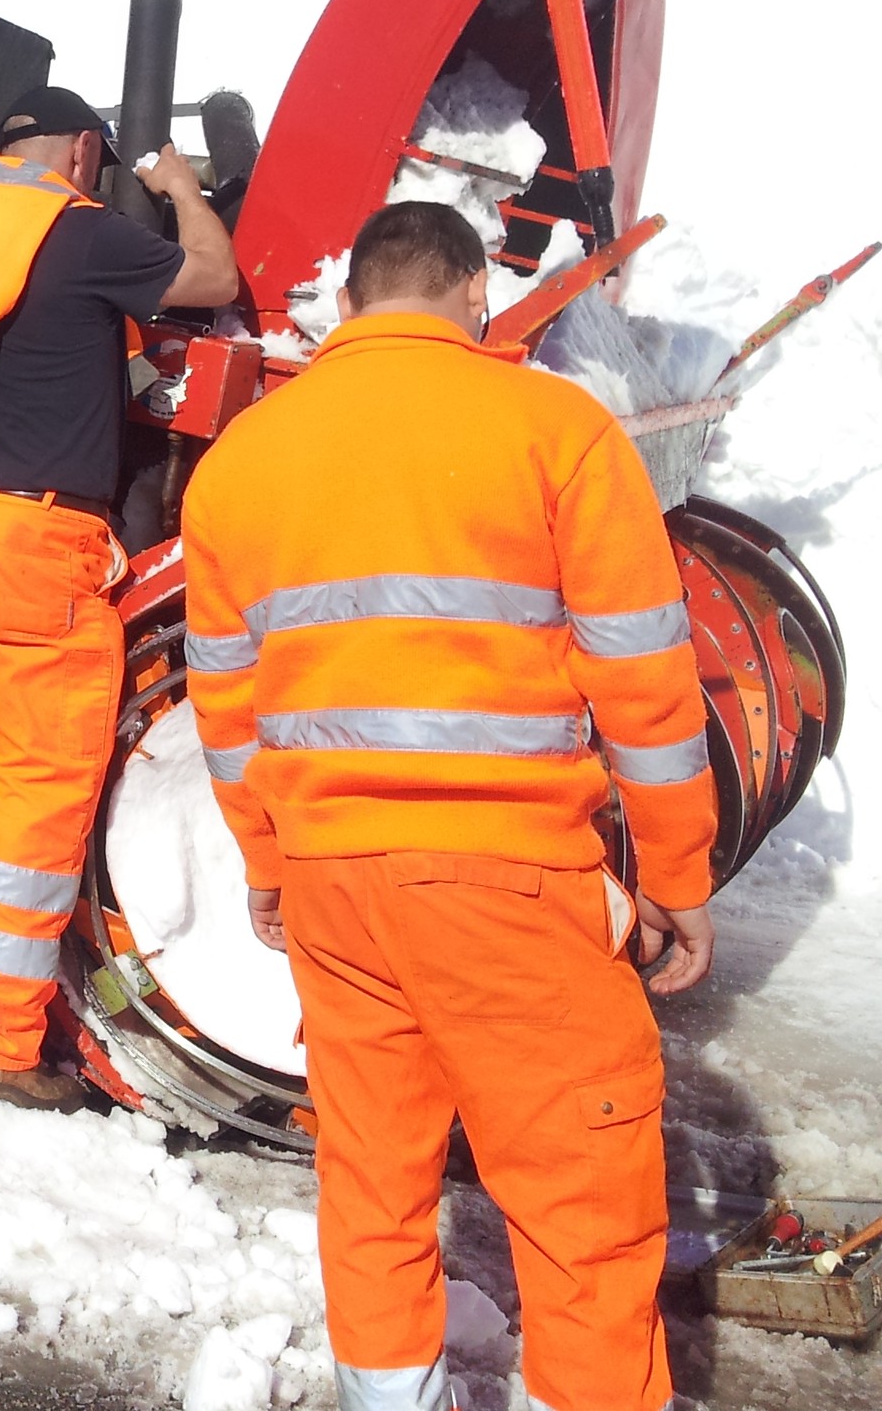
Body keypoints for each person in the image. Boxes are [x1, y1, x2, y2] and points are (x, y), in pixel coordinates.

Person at [180, 201, 715, 1411]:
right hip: (511, 884)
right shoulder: (557, 429)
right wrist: (677, 881)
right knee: (582, 1198)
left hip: (334, 889)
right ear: (476, 295)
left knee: (371, 1183)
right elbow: (646, 685)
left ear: (353, 302)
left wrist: (268, 863)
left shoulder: (241, 464)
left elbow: (228, 712)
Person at [0, 82, 239, 1109]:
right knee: (38, 800)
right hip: (38, 541)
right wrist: (180, 187)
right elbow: (212, 275)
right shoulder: (77, 233)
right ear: (79, 154)